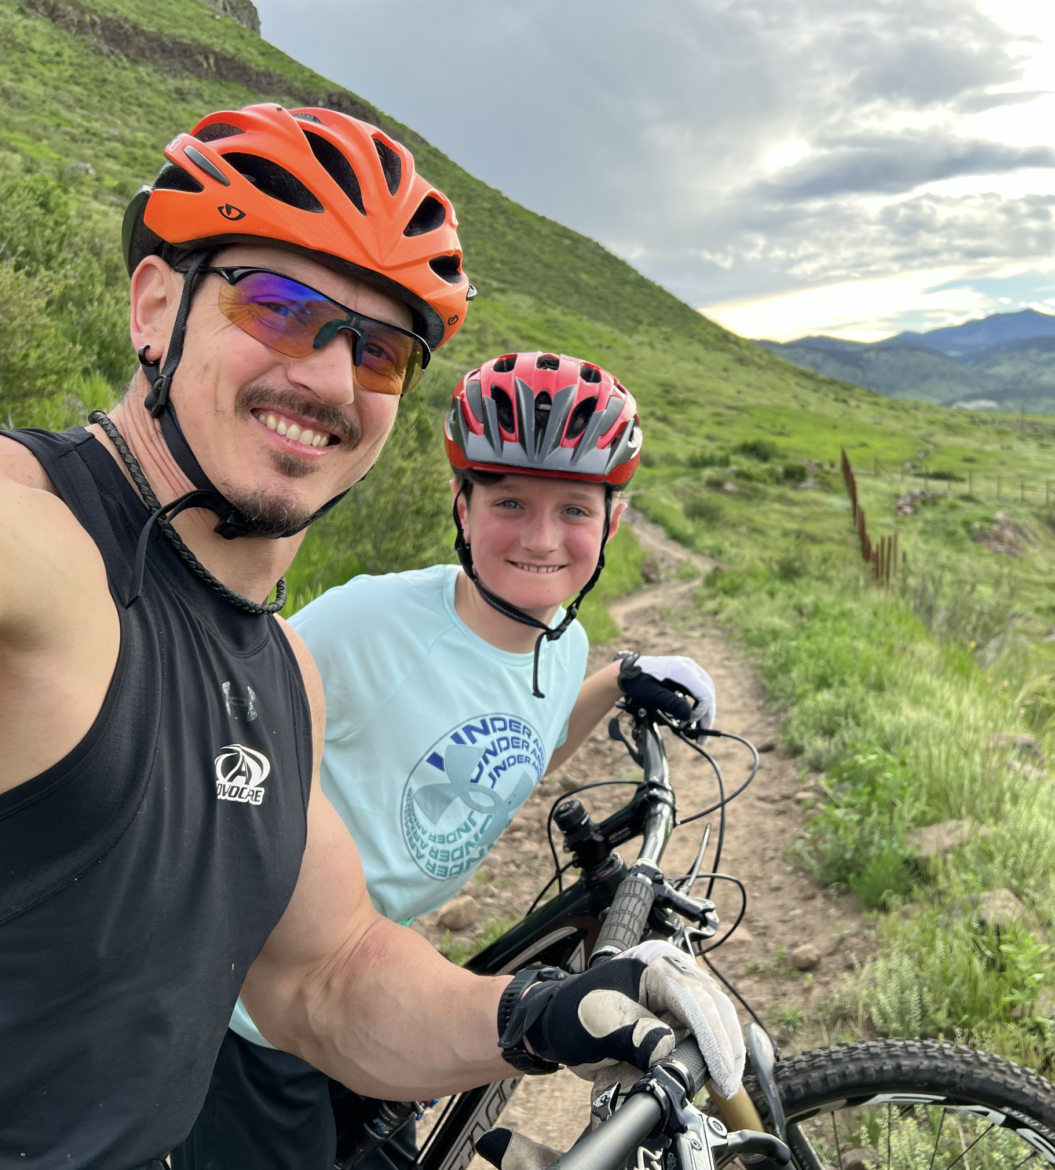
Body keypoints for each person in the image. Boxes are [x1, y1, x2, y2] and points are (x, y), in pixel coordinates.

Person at [0, 105, 743, 1169]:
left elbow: (326, 978)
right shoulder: (12, 537)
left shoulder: (277, 672)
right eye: (281, 307)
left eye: (381, 351)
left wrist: (542, 1016)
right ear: (156, 307)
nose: (330, 380)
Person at [176, 351, 720, 1168]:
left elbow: (520, 754)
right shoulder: (369, 624)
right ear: (461, 506)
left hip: (371, 978)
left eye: (573, 507)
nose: (540, 538)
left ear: (612, 523)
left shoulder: (562, 642)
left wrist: (617, 678)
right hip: (256, 1013)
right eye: (508, 501)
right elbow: (215, 747)